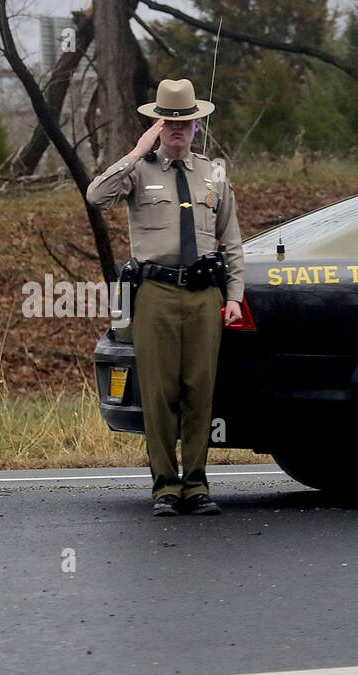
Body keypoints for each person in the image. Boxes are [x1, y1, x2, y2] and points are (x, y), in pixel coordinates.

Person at [86, 78, 244, 517]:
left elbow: (231, 241)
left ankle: (196, 485)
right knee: (158, 395)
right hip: (155, 294)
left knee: (199, 392)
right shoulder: (139, 171)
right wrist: (136, 152)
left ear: (196, 127)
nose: (177, 130)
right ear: (157, 126)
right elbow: (96, 197)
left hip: (203, 295)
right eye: (168, 123)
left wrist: (234, 295)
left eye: (184, 123)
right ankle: (165, 488)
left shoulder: (213, 174)